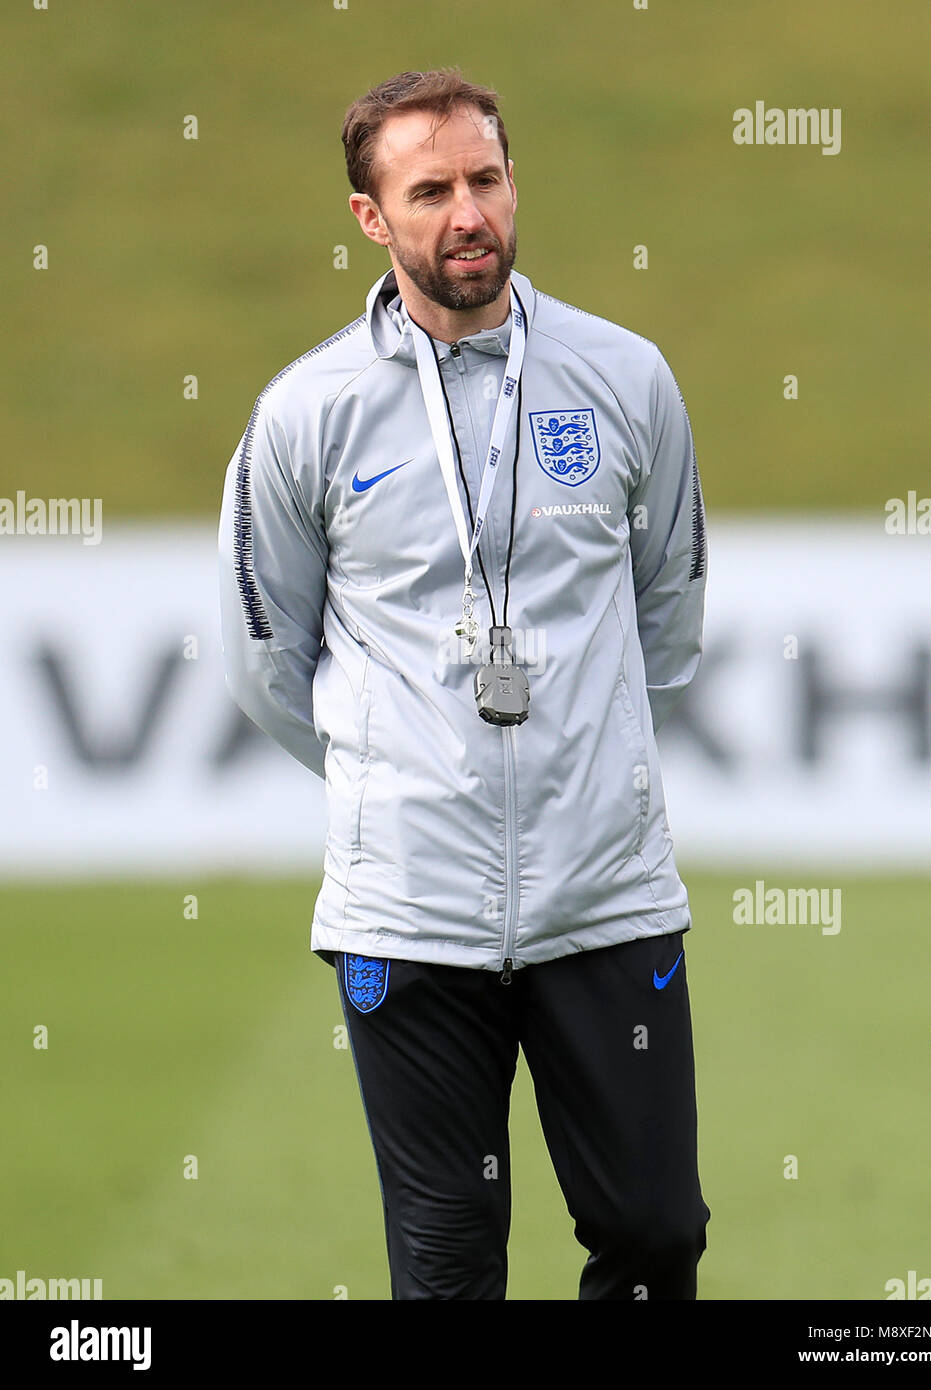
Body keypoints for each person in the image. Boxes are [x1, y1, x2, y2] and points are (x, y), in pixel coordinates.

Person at [218, 67, 710, 1301]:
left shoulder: (624, 376)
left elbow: (669, 609)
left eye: (483, 179)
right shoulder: (305, 415)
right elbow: (267, 656)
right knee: (446, 1276)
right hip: (410, 912)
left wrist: (584, 762)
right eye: (427, 189)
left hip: (603, 897)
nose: (466, 214)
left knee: (654, 1242)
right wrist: (401, 775)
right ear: (370, 218)